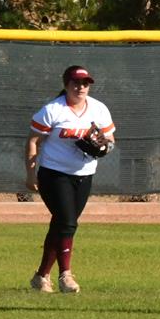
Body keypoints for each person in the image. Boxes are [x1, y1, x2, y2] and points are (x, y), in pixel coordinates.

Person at [26, 65, 115, 294]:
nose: (81, 87)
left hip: (84, 174)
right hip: (53, 173)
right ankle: (66, 275)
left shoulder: (98, 109)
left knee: (62, 225)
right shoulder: (53, 110)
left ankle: (41, 276)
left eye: (85, 83)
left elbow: (110, 139)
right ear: (66, 85)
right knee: (67, 222)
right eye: (76, 83)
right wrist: (30, 173)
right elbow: (33, 141)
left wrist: (104, 147)